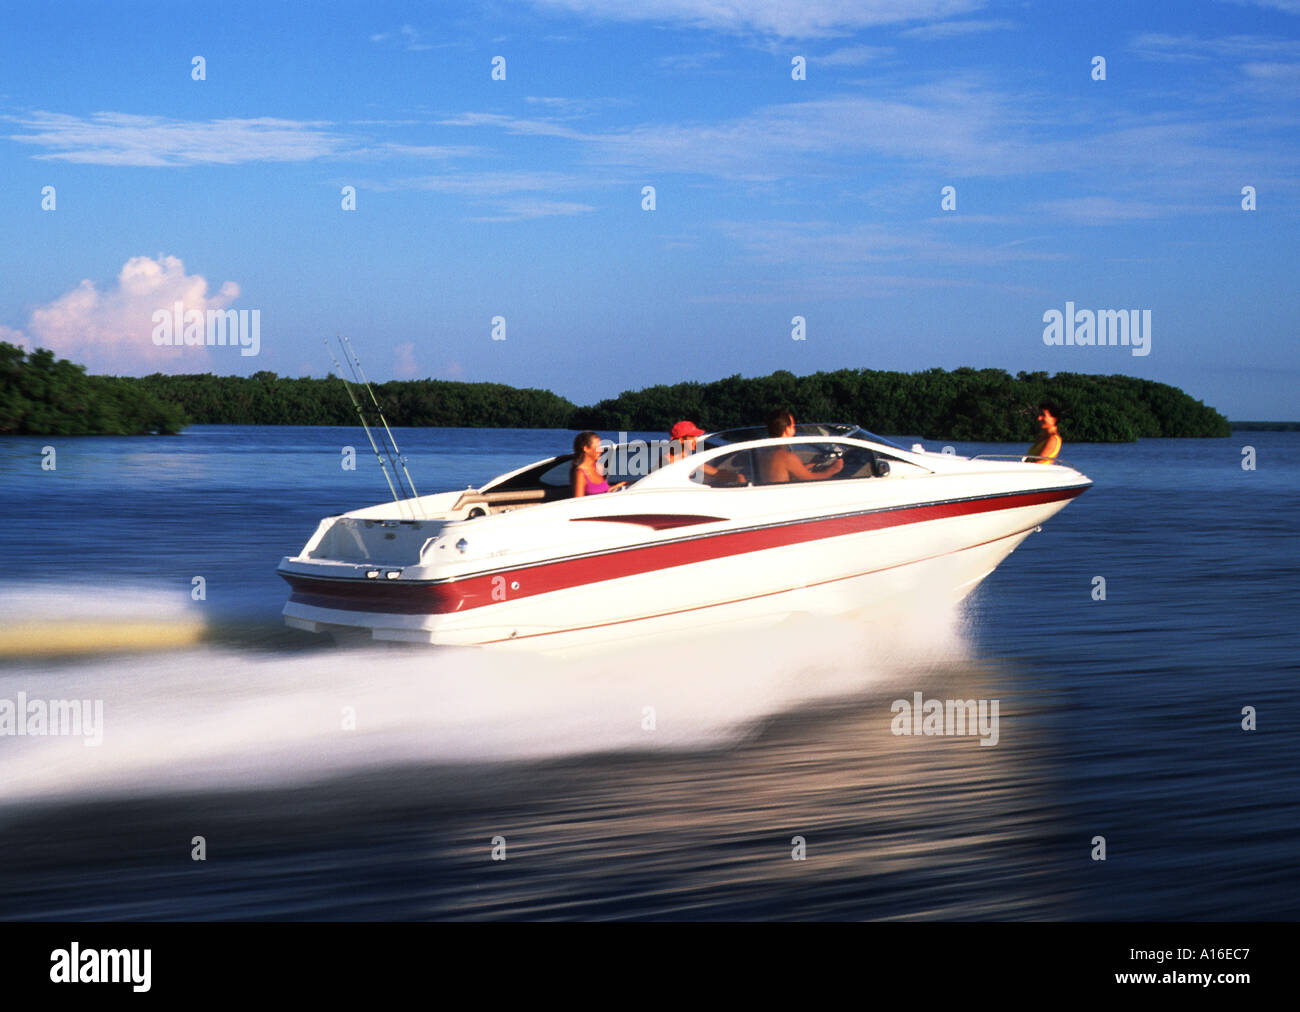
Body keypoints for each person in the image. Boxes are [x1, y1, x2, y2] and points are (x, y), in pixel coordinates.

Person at [760, 409, 844, 483]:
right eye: (793, 426)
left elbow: (791, 470)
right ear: (787, 429)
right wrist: (834, 469)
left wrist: (815, 464)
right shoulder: (786, 456)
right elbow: (811, 478)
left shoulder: (764, 452)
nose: (794, 429)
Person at [664, 420, 747, 485]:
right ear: (681, 440)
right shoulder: (669, 460)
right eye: (692, 437)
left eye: (696, 437)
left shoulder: (685, 457)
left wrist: (735, 476)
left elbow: (714, 472)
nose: (696, 440)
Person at [570, 431, 626, 497]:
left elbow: (603, 491)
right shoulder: (580, 473)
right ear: (586, 448)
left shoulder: (598, 467)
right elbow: (578, 501)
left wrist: (618, 486)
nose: (601, 450)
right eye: (598, 447)